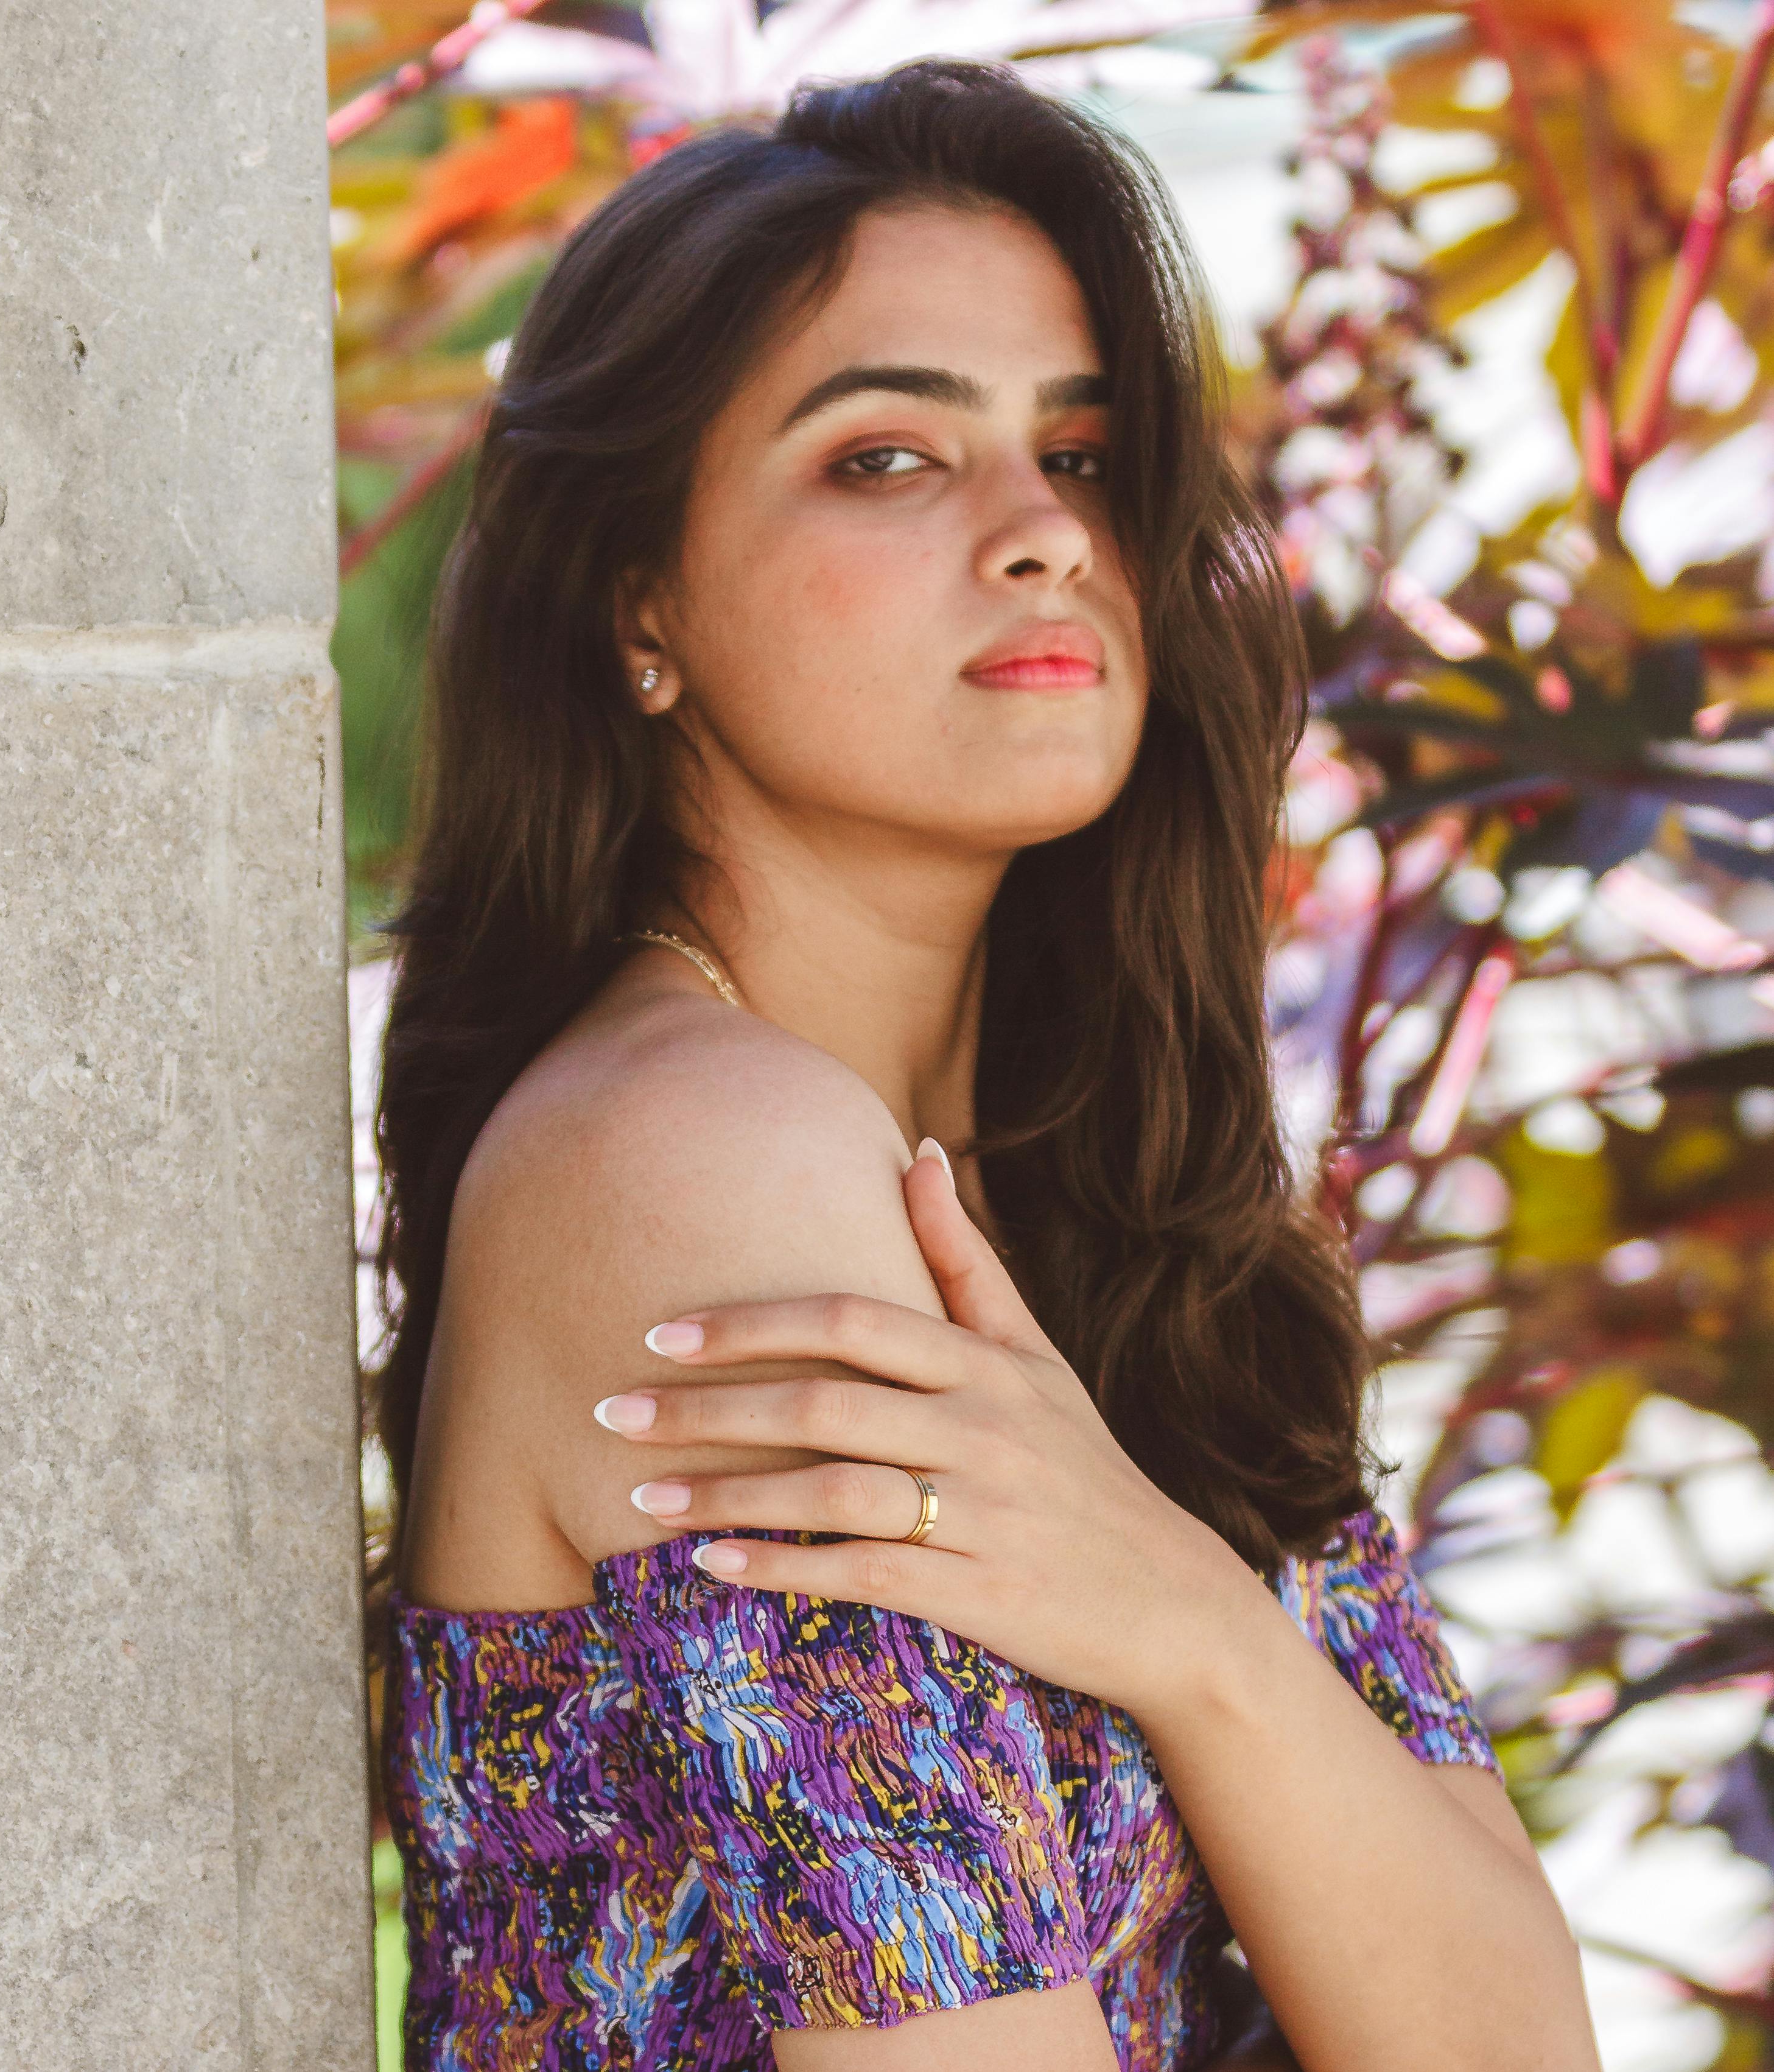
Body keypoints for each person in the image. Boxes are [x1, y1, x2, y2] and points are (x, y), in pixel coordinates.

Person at [368, 57, 1597, 2072]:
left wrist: (1183, 1617)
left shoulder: (1096, 1186)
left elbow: (1511, 2047)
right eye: (885, 457)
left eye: (1088, 454)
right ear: (637, 600)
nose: (1043, 535)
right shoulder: (701, 1158)